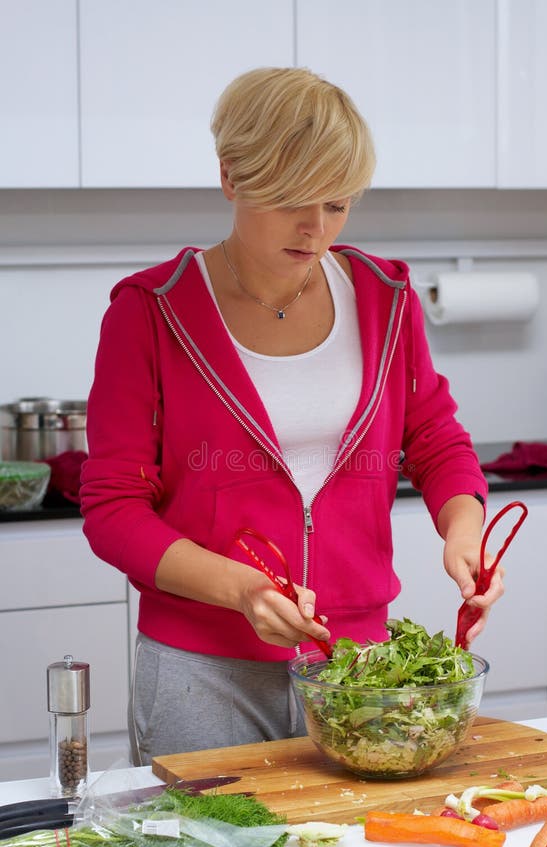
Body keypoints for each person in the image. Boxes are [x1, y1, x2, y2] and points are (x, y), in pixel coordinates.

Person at [80, 67, 503, 766]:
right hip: (201, 673)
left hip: (357, 670)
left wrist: (465, 529)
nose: (316, 229)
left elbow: (435, 440)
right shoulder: (149, 313)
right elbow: (113, 510)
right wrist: (241, 590)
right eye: (291, 202)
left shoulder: (385, 296)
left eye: (337, 205)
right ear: (231, 178)